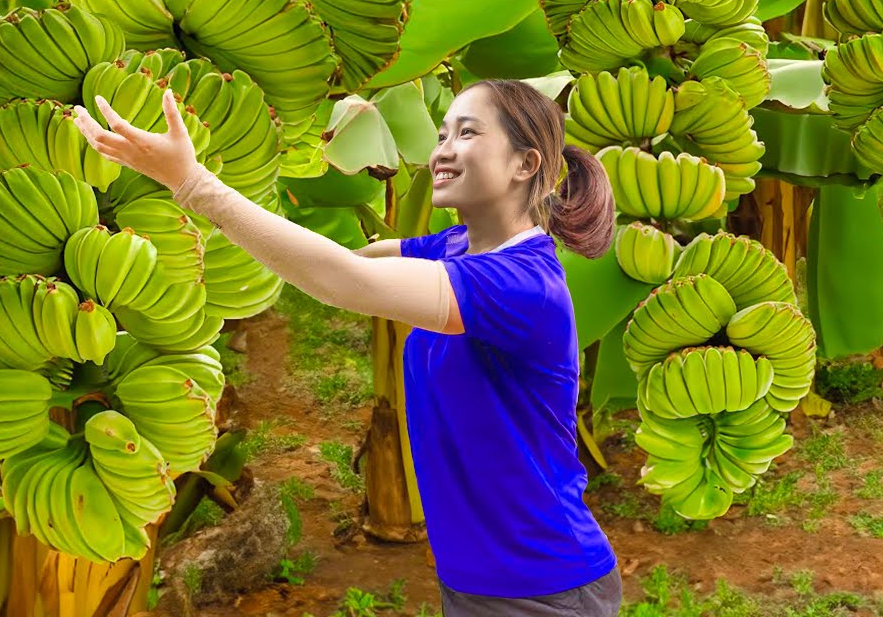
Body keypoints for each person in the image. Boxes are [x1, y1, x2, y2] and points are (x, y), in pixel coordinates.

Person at [73, 79, 624, 616]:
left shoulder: (521, 286)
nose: (443, 152)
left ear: (525, 164)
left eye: (467, 134)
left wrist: (196, 185)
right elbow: (355, 263)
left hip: (544, 587)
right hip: (478, 579)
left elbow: (343, 281)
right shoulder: (457, 245)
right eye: (440, 135)